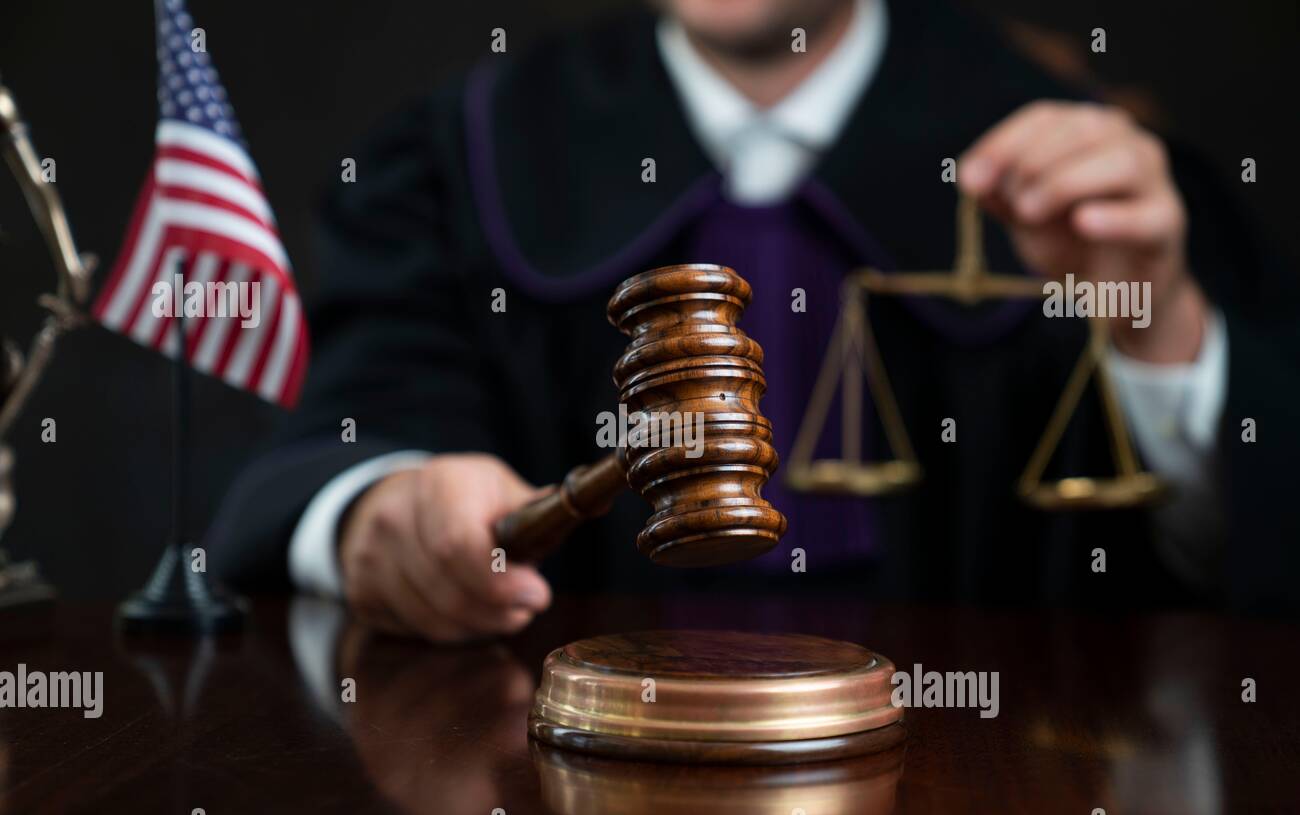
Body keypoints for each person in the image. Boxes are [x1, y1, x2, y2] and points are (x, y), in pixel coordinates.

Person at [209, 0, 1297, 641]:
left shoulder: (1094, 168)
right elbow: (333, 449)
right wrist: (378, 515)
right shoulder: (460, 157)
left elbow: (1235, 551)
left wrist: (1154, 333)